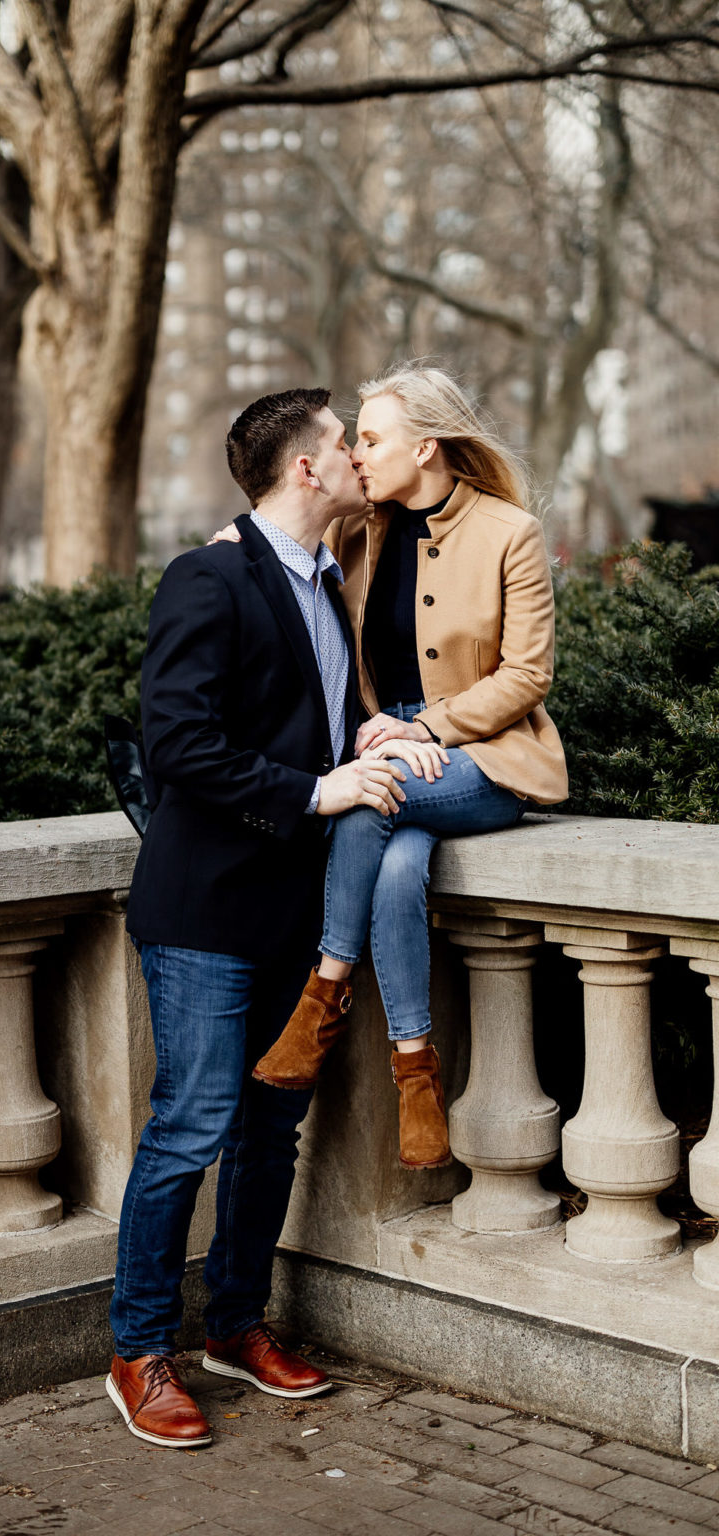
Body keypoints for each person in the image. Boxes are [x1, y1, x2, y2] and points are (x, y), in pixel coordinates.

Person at [108, 388, 412, 1449]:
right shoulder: (209, 575)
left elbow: (310, 715)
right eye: (343, 441)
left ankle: (235, 1325)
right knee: (190, 1126)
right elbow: (177, 743)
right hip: (204, 909)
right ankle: (139, 1350)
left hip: (294, 911)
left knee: (268, 1132)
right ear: (305, 468)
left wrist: (368, 740)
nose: (358, 455)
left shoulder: (328, 576)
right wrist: (316, 791)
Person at [226, 363, 568, 1171]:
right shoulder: (362, 527)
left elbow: (527, 676)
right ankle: (415, 1067)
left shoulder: (509, 532)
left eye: (373, 440)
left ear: (426, 447)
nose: (358, 455)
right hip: (390, 749)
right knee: (400, 864)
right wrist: (234, 545)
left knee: (367, 795)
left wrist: (426, 730)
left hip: (485, 754)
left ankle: (323, 994)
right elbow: (285, 535)